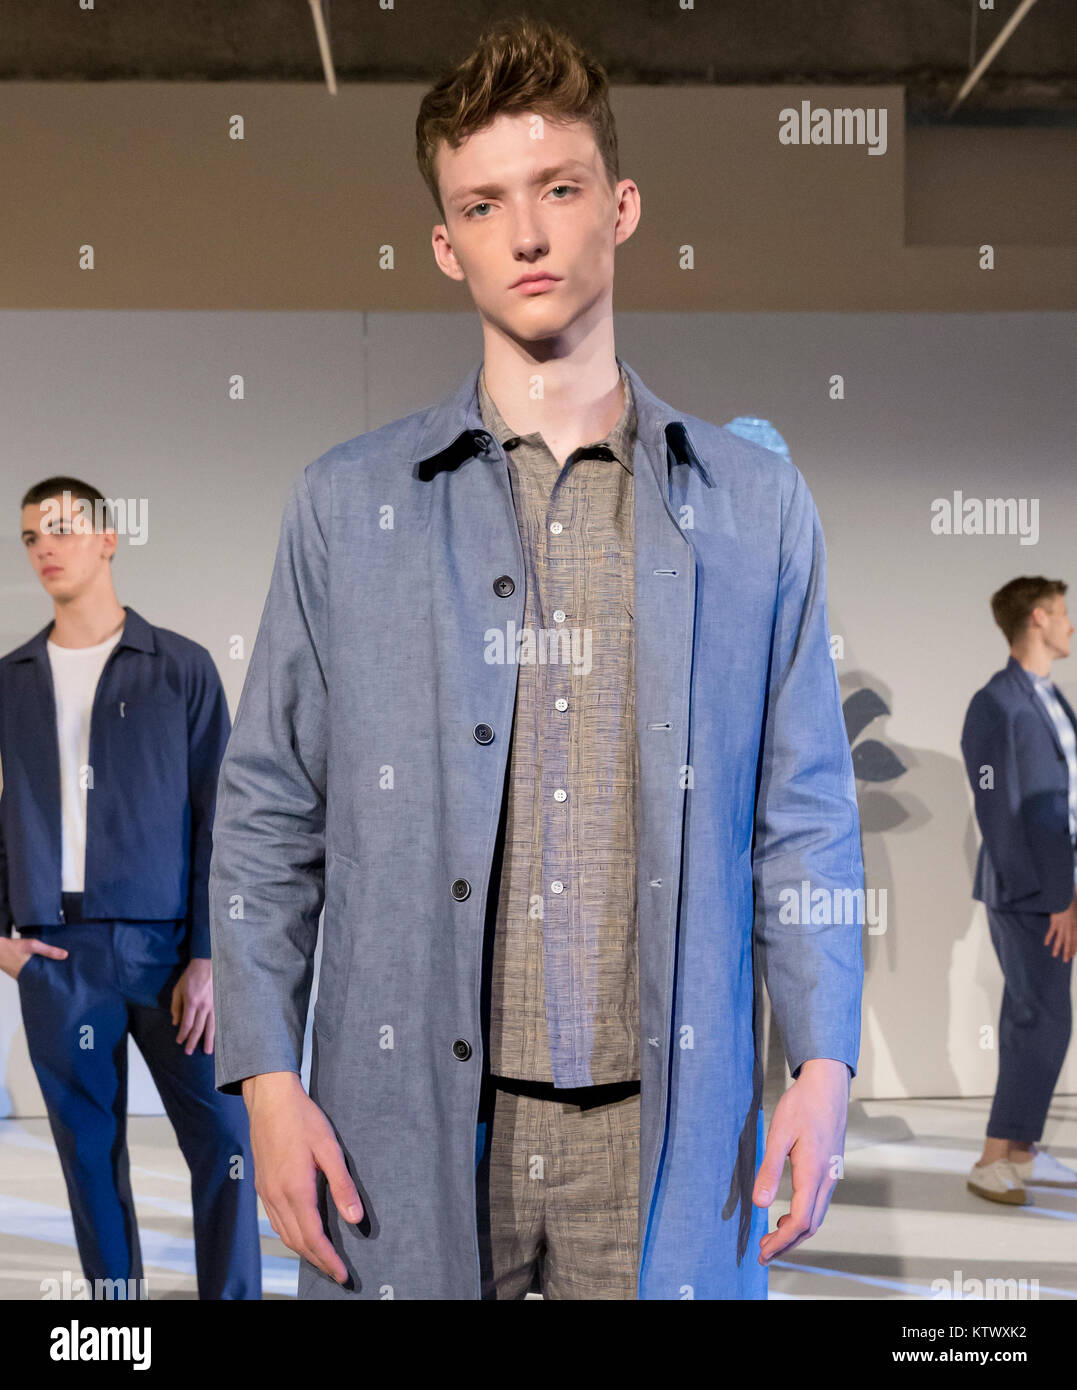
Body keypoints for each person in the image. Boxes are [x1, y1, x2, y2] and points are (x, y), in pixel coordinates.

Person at [209, 16, 864, 1300]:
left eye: (558, 189)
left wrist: (825, 1059)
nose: (527, 233)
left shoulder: (755, 505)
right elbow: (268, 810)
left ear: (618, 208)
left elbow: (805, 814)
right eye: (484, 203)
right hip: (408, 1133)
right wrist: (269, 1079)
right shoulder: (347, 506)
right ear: (446, 242)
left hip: (673, 1137)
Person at [0, 477, 261, 1299]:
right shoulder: (9, 680)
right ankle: (119, 1327)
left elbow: (220, 815)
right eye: (31, 535)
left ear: (109, 539)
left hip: (168, 949)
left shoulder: (179, 666)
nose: (46, 545)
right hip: (57, 951)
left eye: (64, 528)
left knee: (224, 1139)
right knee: (85, 1151)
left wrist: (212, 956)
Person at [961, 577, 1077, 1204]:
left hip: (1060, 889)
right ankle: (990, 1161)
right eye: (1064, 614)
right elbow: (996, 809)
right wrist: (1052, 897)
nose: (1071, 625)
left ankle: (1021, 1152)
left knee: (1036, 1018)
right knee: (1043, 1021)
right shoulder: (995, 703)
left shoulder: (1050, 698)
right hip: (1027, 893)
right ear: (1038, 618)